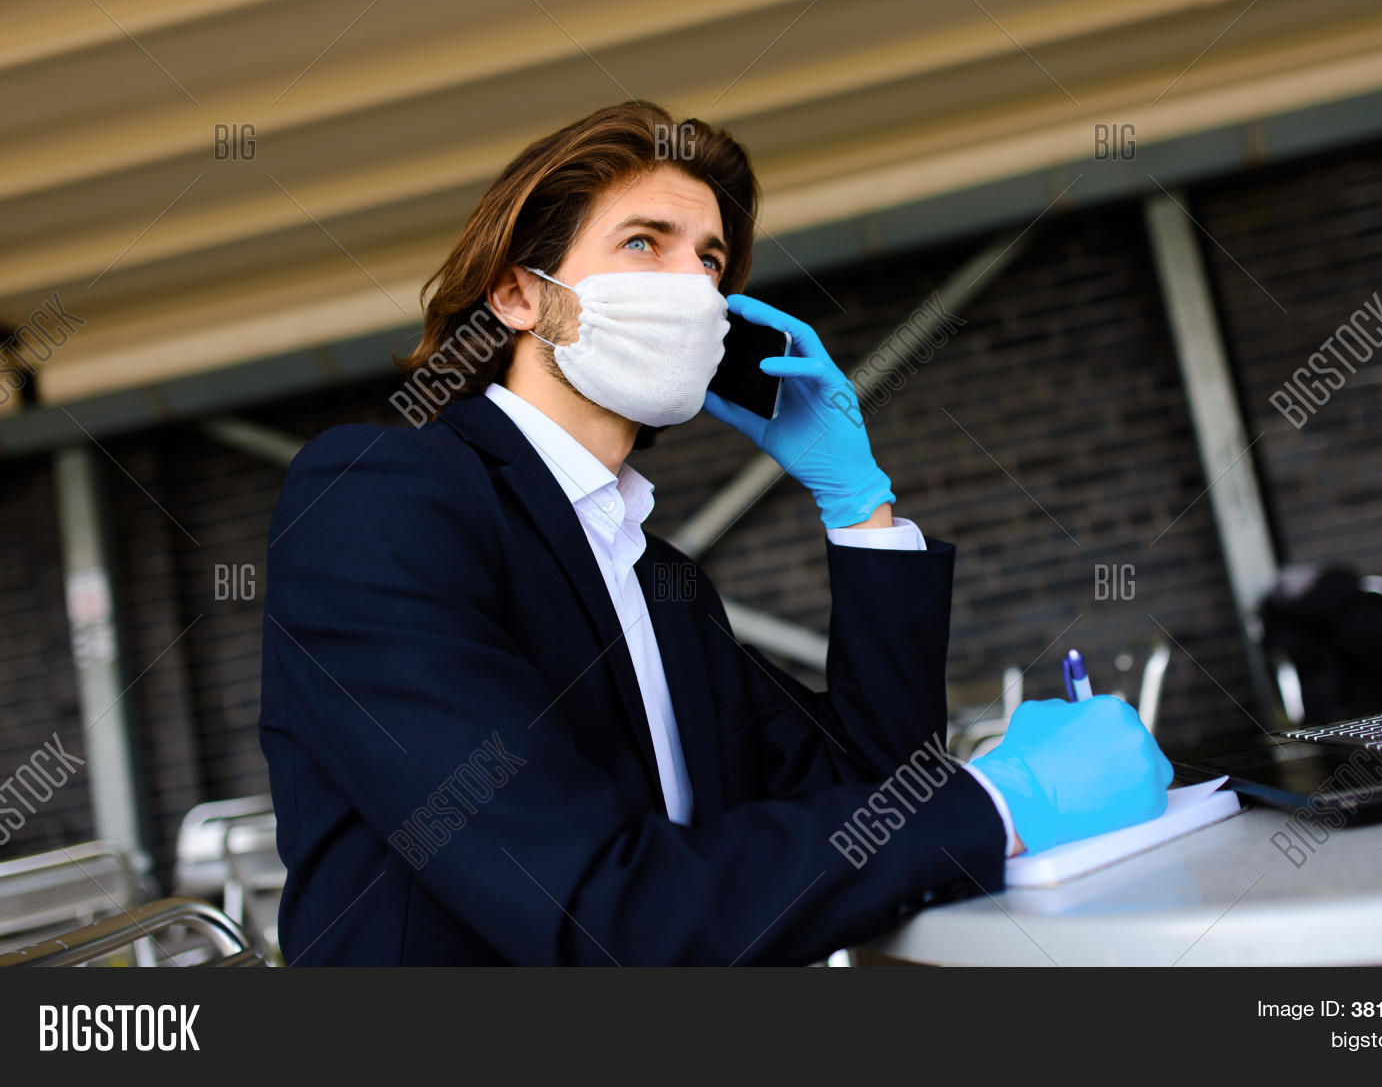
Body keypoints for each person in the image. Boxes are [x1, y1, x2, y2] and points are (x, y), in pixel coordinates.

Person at [259, 101, 1171, 965]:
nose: (693, 288)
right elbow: (600, 908)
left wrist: (859, 508)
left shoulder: (660, 577)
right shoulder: (379, 497)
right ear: (516, 296)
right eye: (644, 242)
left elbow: (869, 794)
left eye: (710, 261)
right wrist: (998, 802)